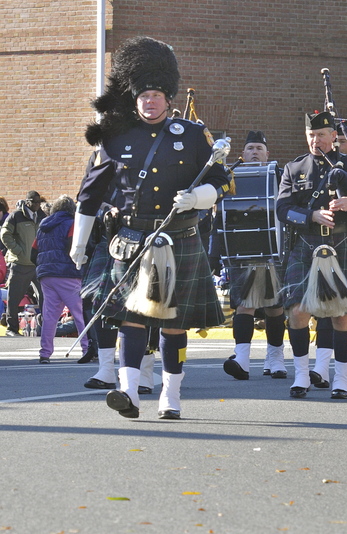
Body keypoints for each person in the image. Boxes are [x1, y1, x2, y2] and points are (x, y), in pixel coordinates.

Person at [71, 36, 231, 419]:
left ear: (168, 98)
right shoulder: (115, 138)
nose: (150, 101)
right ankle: (128, 392)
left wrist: (199, 197)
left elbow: (225, 182)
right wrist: (78, 243)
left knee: (174, 326)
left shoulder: (192, 135)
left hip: (178, 237)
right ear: (135, 99)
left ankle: (170, 396)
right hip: (130, 240)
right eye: (144, 96)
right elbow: (89, 195)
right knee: (131, 317)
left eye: (157, 95)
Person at [276, 111, 347, 399]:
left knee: (342, 315)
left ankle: (341, 378)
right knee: (298, 311)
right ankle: (302, 375)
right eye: (311, 135)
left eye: (322, 135)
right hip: (307, 243)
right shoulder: (295, 168)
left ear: (333, 137)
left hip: (343, 243)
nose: (316, 140)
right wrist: (311, 215)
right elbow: (282, 208)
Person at [216, 130, 287, 382]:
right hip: (240, 248)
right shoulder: (229, 177)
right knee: (244, 305)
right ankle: (242, 360)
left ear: (268, 154)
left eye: (259, 148)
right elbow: (219, 214)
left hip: (272, 248)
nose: (255, 152)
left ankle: (275, 357)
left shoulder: (279, 176)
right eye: (250, 148)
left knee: (275, 307)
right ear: (242, 155)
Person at [31, 195, 90, 363]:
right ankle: (87, 348)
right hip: (68, 273)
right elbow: (72, 246)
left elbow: (33, 253)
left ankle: (45, 353)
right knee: (79, 313)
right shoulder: (72, 223)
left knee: (50, 315)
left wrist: (44, 264)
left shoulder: (43, 226)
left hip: (46, 274)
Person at [1, 191, 46, 337]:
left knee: (45, 296)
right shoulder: (16, 216)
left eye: (39, 202)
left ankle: (45, 327)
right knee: (14, 297)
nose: (37, 205)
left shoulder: (42, 216)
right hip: (20, 264)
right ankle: (12, 329)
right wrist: (18, 251)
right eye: (34, 202)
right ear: (27, 202)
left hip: (37, 264)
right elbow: (4, 234)